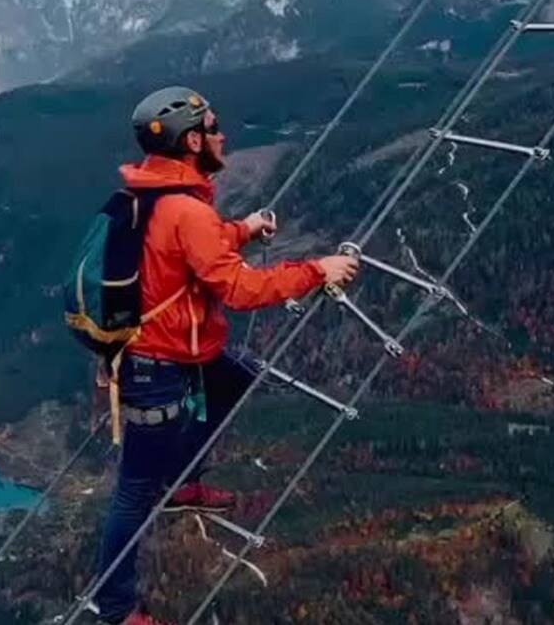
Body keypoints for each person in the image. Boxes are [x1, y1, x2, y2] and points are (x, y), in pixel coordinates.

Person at [94, 86, 360, 625]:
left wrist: (244, 229)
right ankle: (117, 608)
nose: (222, 136)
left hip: (167, 350)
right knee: (133, 492)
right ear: (191, 140)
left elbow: (192, 249)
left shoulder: (156, 192)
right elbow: (240, 290)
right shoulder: (183, 208)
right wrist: (316, 271)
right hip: (157, 363)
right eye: (213, 129)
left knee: (236, 377)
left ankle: (182, 477)